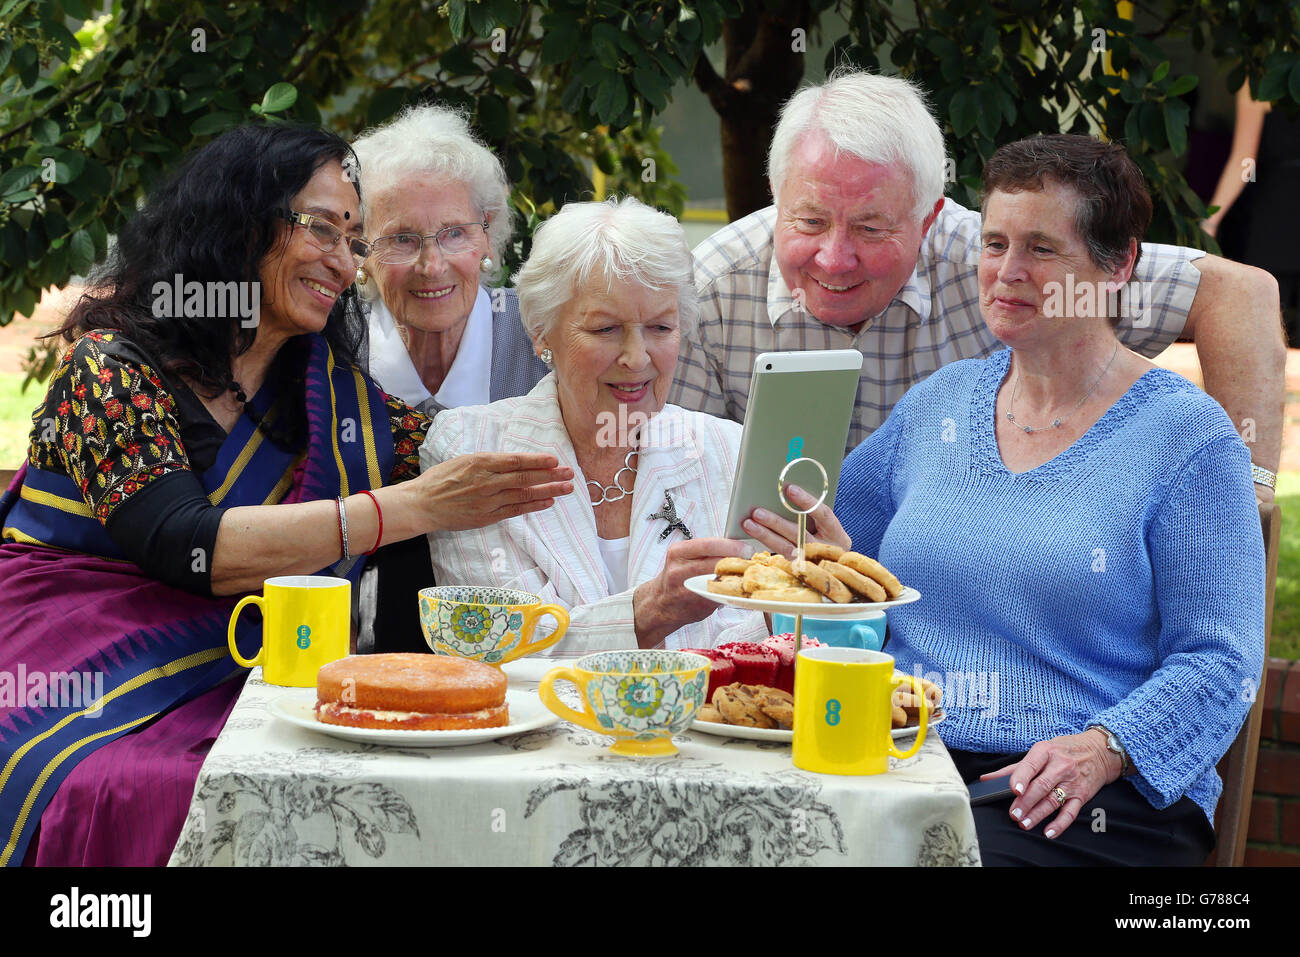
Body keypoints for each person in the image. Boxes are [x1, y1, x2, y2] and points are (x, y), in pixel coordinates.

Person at [0, 124, 573, 866]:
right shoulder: (110, 370)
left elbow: (466, 447)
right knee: (146, 785)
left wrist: (612, 368)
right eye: (323, 229)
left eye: (356, 239)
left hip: (247, 675)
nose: (344, 262)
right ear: (239, 222)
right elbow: (188, 544)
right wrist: (417, 505)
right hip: (74, 664)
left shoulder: (329, 399)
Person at [748, 134, 1265, 865]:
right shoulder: (940, 405)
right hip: (909, 765)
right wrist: (813, 563)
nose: (1007, 272)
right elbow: (828, 565)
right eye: (994, 243)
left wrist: (1106, 748)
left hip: (1088, 797)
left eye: (1042, 249)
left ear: (1118, 265)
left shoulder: (1187, 438)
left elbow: (1221, 663)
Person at [671, 68, 1284, 512]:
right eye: (807, 221)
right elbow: (667, 486)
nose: (835, 257)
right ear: (776, 202)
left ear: (930, 218)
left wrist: (1245, 488)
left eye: (871, 227)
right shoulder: (710, 291)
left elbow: (1238, 293)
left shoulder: (1002, 265)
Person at [423, 198, 766, 651]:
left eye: (661, 328)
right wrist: (647, 612)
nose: (637, 357)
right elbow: (495, 643)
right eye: (605, 329)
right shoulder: (469, 449)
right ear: (541, 332)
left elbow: (758, 636)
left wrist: (815, 587)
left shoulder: (732, 451)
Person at [350, 105, 549, 651]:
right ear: (361, 250)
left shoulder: (543, 343)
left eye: (454, 233)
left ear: (487, 237)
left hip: (524, 647)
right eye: (402, 239)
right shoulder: (330, 350)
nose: (432, 265)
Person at [1203, 85, 1300, 343]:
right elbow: (1245, 161)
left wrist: (1210, 220)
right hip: (1274, 222)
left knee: (1265, 334)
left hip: (1273, 223)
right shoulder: (1257, 77)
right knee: (1265, 326)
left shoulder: (1258, 77)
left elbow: (1245, 160)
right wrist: (1212, 218)